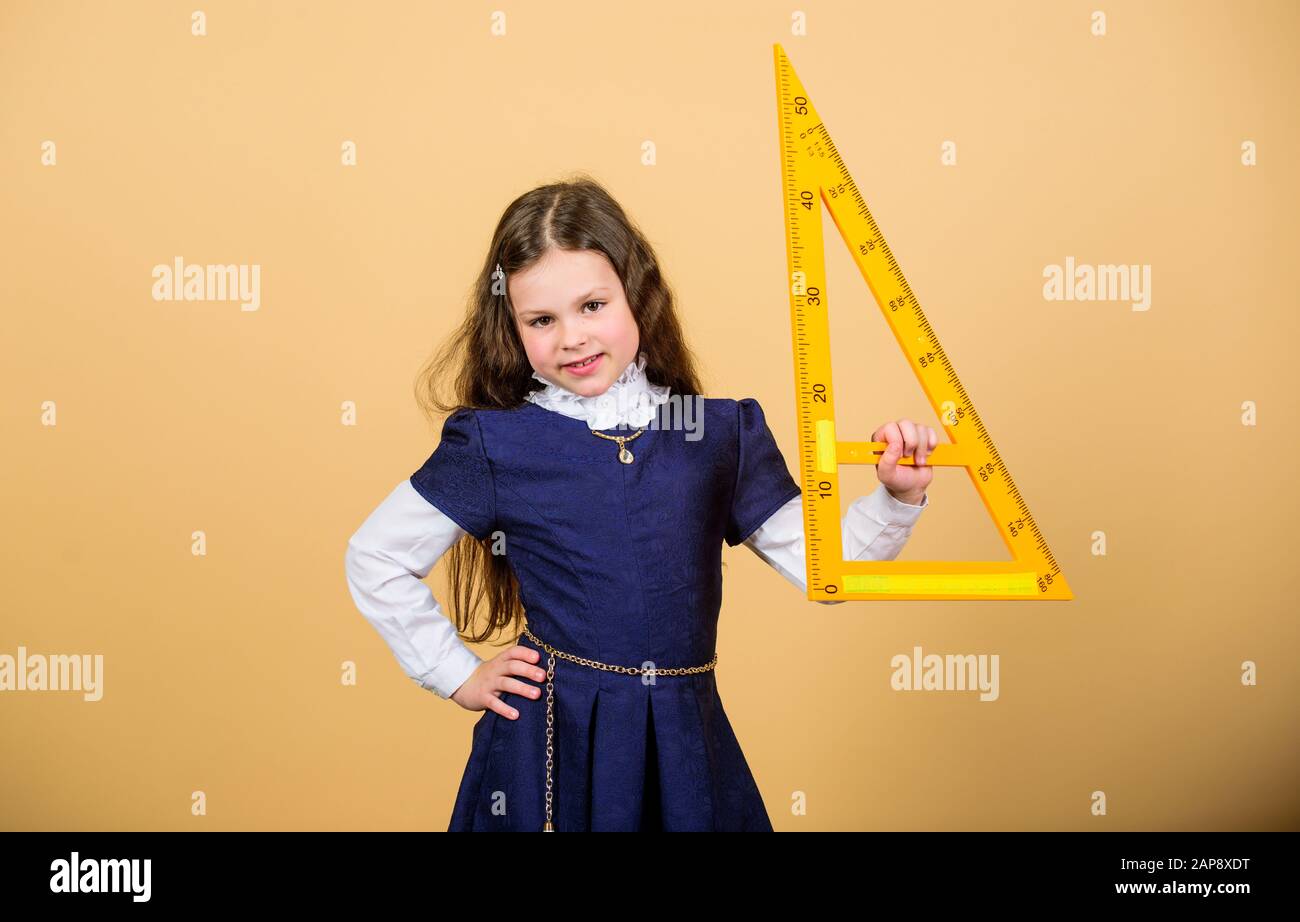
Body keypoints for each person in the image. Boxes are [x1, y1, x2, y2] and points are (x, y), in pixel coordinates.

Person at [344, 175, 935, 831]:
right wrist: (454, 673)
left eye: (592, 305)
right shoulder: (496, 443)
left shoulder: (715, 433)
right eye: (542, 320)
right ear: (511, 328)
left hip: (682, 749)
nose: (571, 337)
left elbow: (831, 571)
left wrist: (896, 496)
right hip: (550, 750)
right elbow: (375, 556)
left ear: (637, 294)